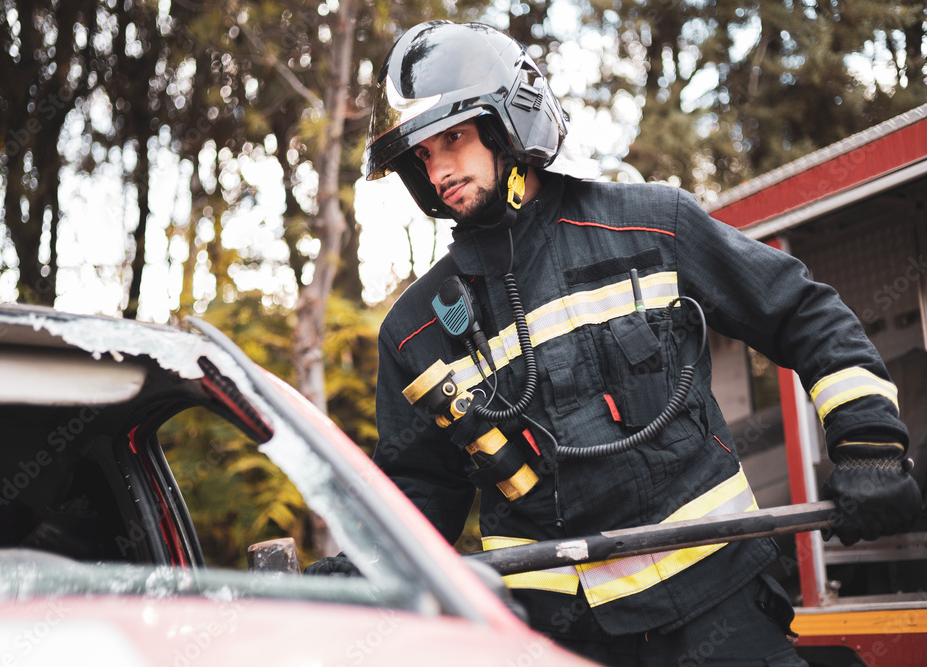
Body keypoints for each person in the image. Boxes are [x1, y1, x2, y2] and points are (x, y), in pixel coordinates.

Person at [313, 20, 924, 665]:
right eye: (421, 155)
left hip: (719, 609)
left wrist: (869, 446)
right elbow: (421, 489)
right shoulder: (418, 329)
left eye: (453, 138)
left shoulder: (652, 226)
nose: (437, 169)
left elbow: (803, 313)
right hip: (558, 638)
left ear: (509, 124)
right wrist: (365, 570)